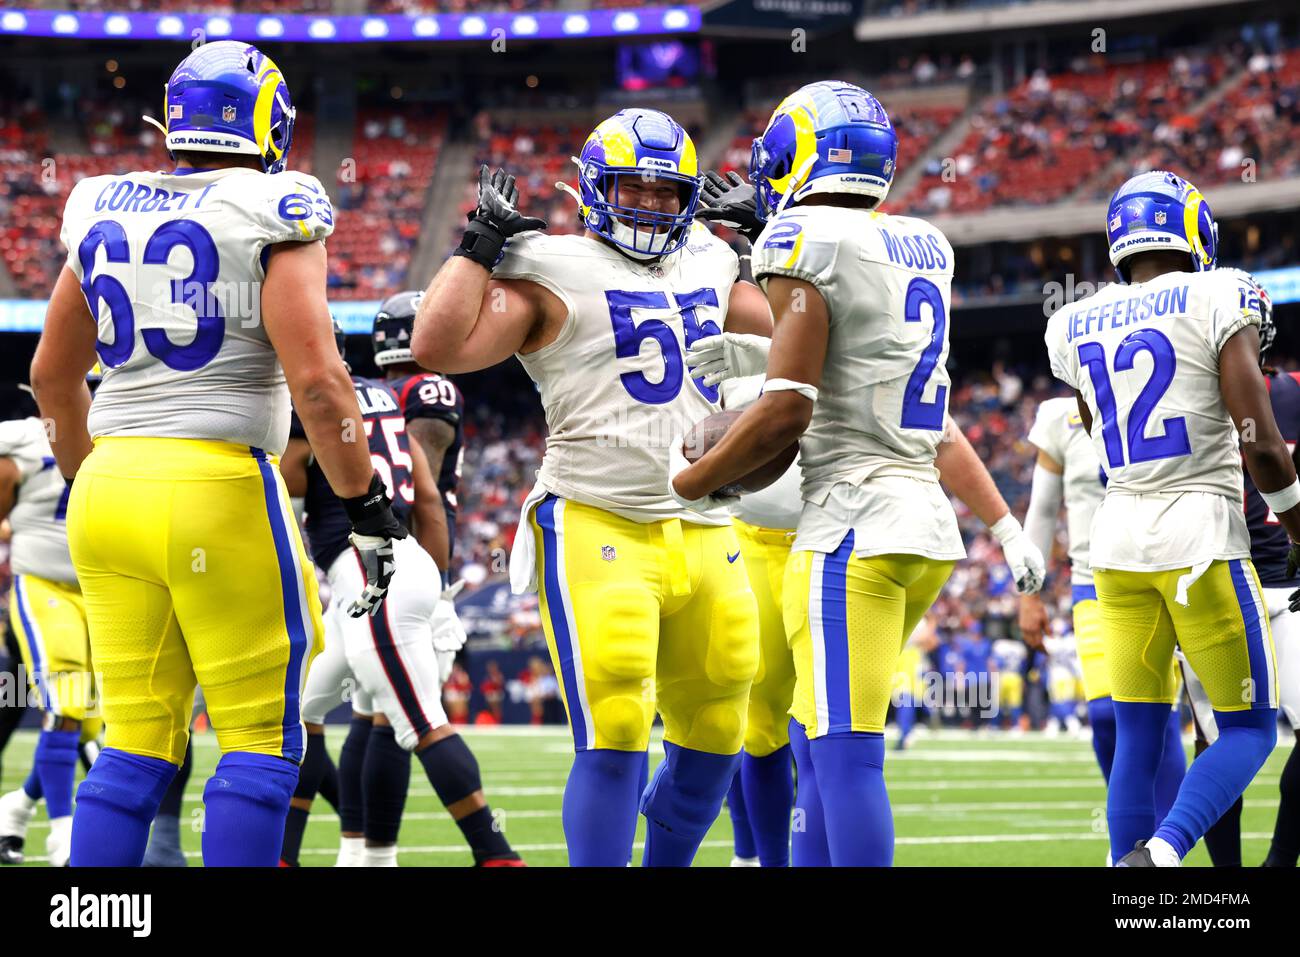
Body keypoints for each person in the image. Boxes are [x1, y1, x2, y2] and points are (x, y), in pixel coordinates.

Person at [29, 41, 405, 866]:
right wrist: (367, 500)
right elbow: (319, 382)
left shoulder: (99, 202)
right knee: (261, 740)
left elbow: (52, 376)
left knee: (132, 742)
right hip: (218, 480)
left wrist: (91, 477)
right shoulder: (278, 206)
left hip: (109, 481)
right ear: (268, 121)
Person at [670, 81, 1044, 866]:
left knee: (844, 757)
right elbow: (861, 363)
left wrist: (694, 483)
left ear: (799, 153)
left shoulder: (801, 237)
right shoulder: (921, 242)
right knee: (812, 738)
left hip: (851, 524)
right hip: (925, 526)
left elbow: (788, 411)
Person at [411, 107, 774, 866]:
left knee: (718, 726)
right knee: (614, 719)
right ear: (594, 190)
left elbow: (788, 331)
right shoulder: (552, 264)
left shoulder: (710, 255)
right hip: (594, 516)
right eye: (631, 189)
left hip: (701, 518)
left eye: (665, 192)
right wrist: (478, 244)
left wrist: (772, 240)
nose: (649, 204)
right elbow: (435, 346)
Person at [1044, 170, 1295, 866]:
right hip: (1200, 534)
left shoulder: (1073, 320)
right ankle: (1160, 854)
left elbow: (1093, 423)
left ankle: (1133, 888)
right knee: (1248, 729)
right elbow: (1263, 443)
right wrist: (1299, 528)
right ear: (1194, 228)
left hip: (1116, 540)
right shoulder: (1219, 292)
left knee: (1139, 731)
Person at [279, 322, 514, 867]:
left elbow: (289, 493)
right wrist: (436, 590)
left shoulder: (305, 399)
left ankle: (498, 855)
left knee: (419, 722)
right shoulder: (384, 397)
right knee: (301, 712)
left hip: (372, 574)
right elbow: (428, 497)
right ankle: (295, 857)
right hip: (398, 566)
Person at [1178, 271, 1300, 867]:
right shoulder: (1294, 390)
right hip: (1276, 577)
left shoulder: (1188, 393)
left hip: (1216, 574)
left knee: (1217, 742)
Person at [0, 402, 102, 866]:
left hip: (100, 589)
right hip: (41, 582)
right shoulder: (22, 434)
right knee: (64, 701)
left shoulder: (128, 432)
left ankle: (16, 806)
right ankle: (64, 837)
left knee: (92, 718)